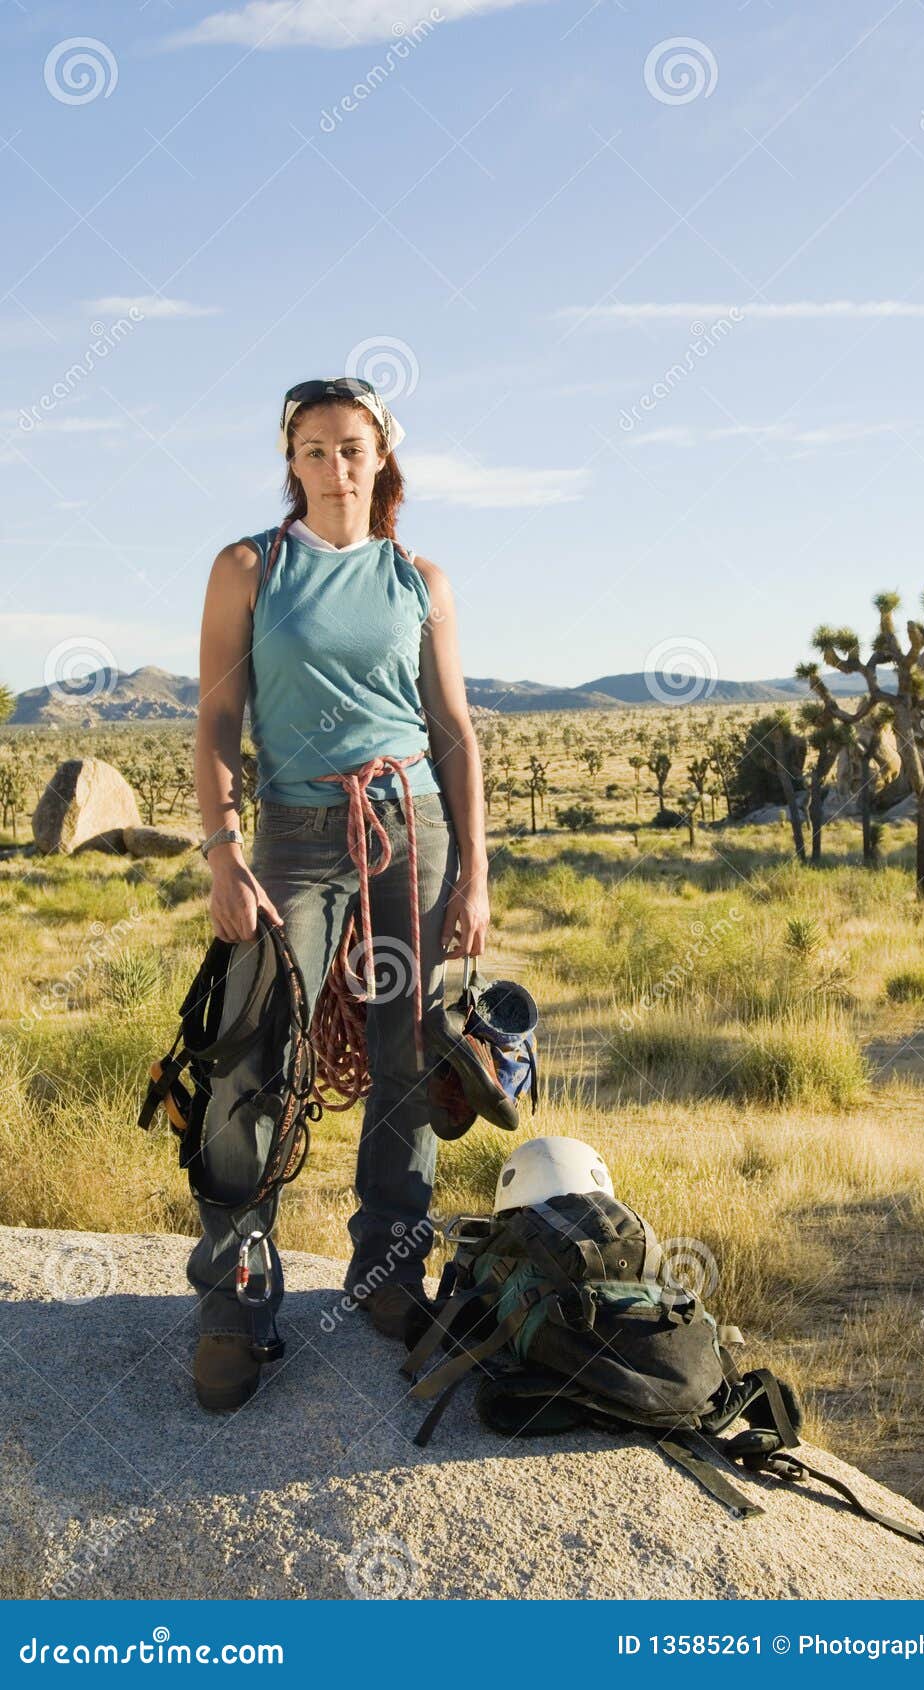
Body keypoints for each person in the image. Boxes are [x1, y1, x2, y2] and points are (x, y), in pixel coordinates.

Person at [187, 375, 490, 1411]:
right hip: (297, 834)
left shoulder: (418, 579)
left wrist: (477, 875)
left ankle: (389, 1272)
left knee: (408, 1053)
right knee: (251, 1052)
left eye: (352, 448)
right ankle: (234, 1291)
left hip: (414, 826)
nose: (334, 467)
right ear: (291, 461)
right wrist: (224, 851)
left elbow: (452, 728)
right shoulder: (249, 569)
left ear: (381, 458)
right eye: (313, 449)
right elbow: (217, 725)